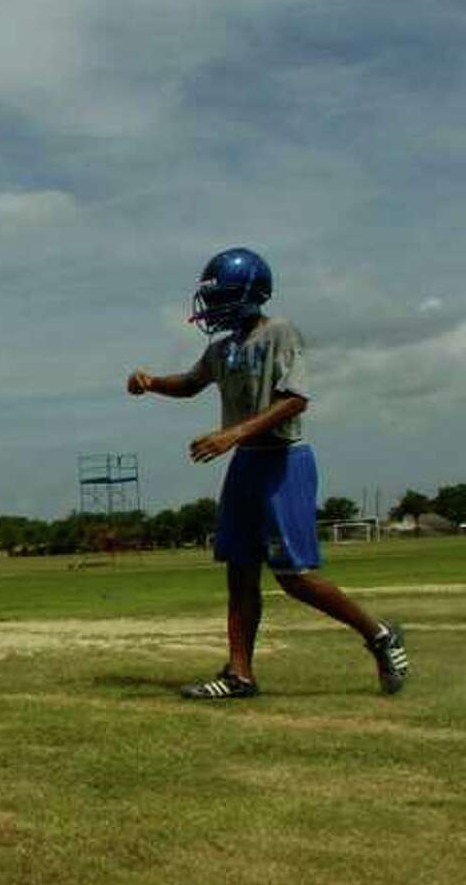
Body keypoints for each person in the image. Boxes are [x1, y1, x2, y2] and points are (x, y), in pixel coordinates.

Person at [127, 247, 409, 700]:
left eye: (221, 296)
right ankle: (239, 675)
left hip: (284, 462)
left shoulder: (281, 333)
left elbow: (295, 399)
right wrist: (153, 383)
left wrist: (232, 433)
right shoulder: (222, 349)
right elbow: (193, 382)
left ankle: (379, 635)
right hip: (246, 464)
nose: (212, 306)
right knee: (239, 571)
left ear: (250, 293)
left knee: (293, 577)